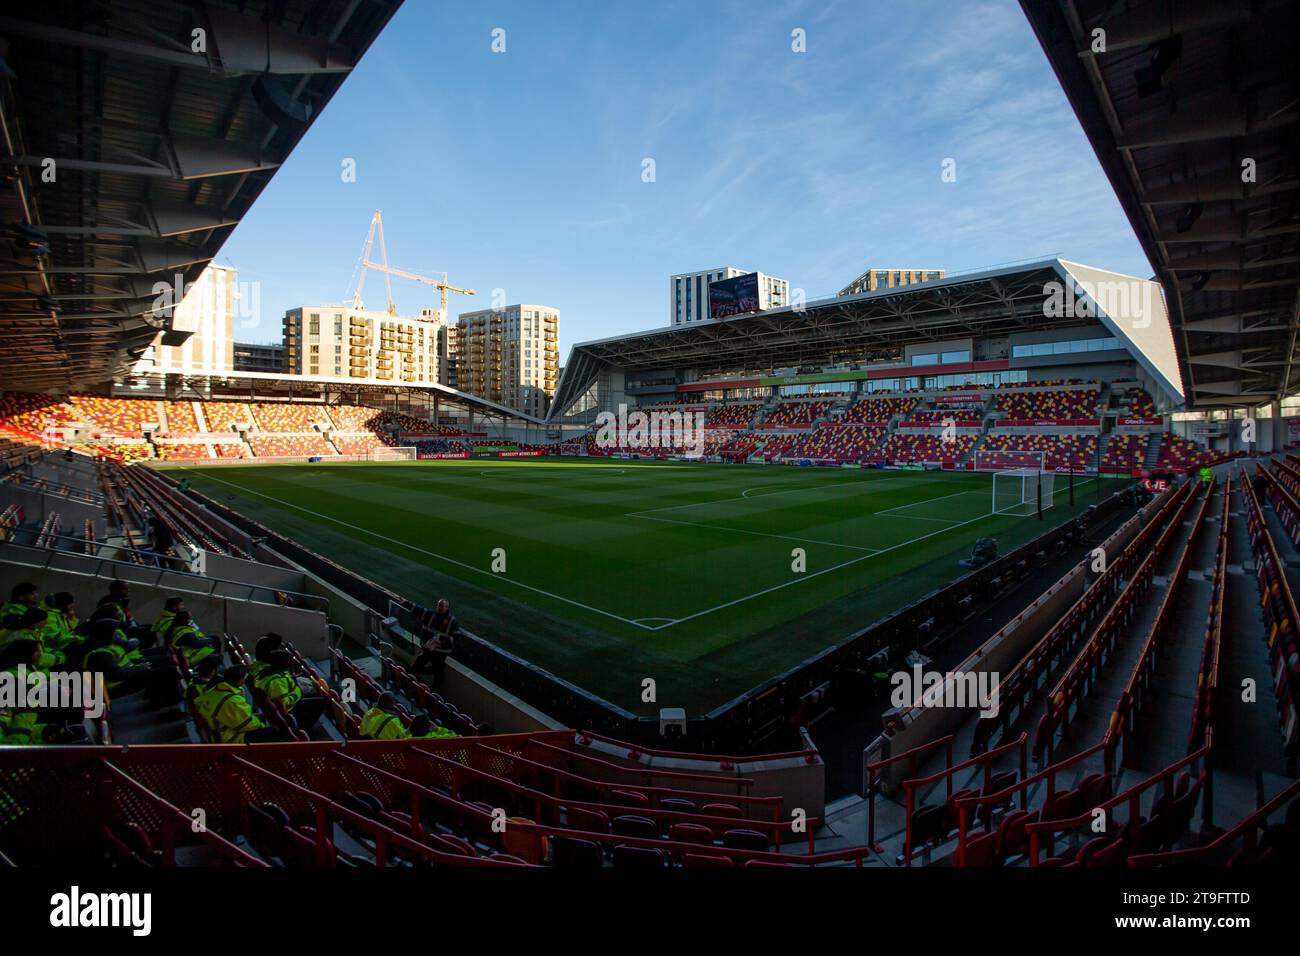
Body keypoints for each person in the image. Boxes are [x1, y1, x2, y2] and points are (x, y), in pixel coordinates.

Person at [193, 665, 283, 743]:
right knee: (274, 732)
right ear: (240, 680)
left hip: (218, 730)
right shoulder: (232, 701)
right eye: (245, 677)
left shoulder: (215, 689)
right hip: (230, 738)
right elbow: (247, 725)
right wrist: (262, 724)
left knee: (261, 718)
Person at [254, 649, 326, 732]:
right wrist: (297, 693)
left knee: (315, 696)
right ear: (282, 663)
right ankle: (303, 728)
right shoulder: (278, 681)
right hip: (288, 710)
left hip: (277, 706)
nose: (289, 663)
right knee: (321, 702)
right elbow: (283, 702)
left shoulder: (265, 672)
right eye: (287, 661)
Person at [411, 599, 458, 688]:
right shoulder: (431, 614)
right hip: (429, 650)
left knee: (438, 677)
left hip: (439, 653)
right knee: (416, 667)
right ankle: (433, 672)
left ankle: (434, 693)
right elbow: (418, 609)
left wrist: (442, 643)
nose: (440, 607)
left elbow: (456, 637)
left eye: (443, 606)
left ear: (447, 608)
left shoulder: (452, 621)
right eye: (439, 605)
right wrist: (405, 603)